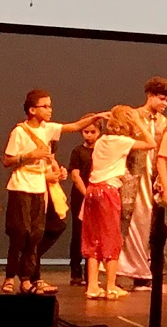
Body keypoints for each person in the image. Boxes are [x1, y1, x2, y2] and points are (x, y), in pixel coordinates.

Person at [2, 90, 103, 294]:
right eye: (45, 106)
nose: (50, 110)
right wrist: (30, 155)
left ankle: (27, 279)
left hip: (39, 186)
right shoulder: (19, 132)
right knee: (20, 233)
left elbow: (73, 126)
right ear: (32, 110)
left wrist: (97, 117)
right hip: (21, 185)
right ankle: (9, 276)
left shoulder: (48, 129)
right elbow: (7, 160)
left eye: (50, 106)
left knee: (36, 234)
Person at [81, 106, 157, 301]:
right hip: (108, 191)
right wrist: (138, 122)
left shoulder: (101, 141)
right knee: (111, 238)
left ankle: (92, 286)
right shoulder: (121, 141)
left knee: (93, 239)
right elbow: (151, 143)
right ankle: (111, 286)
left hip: (91, 190)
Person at [117, 76, 167, 289]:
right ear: (149, 95)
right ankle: (127, 272)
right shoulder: (133, 116)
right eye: (161, 98)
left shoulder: (164, 122)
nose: (164, 103)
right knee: (133, 221)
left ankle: (143, 270)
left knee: (149, 225)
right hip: (134, 174)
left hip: (153, 176)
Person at [68, 120, 100, 286]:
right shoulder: (78, 151)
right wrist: (86, 193)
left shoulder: (102, 151)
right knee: (78, 233)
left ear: (99, 132)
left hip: (97, 197)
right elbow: (75, 175)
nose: (89, 135)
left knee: (94, 235)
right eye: (86, 132)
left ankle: (91, 274)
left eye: (92, 132)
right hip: (81, 197)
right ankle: (75, 272)